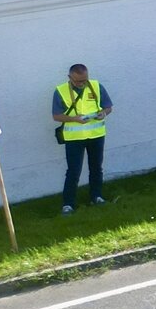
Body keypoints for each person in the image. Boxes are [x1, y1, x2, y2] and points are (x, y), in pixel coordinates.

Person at [51, 62, 111, 213]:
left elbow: (108, 107)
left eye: (85, 80)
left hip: (96, 135)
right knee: (73, 171)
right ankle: (68, 204)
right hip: (74, 138)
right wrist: (74, 119)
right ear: (69, 77)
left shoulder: (96, 86)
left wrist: (103, 113)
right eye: (78, 81)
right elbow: (56, 116)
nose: (82, 83)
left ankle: (96, 196)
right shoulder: (60, 91)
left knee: (96, 168)